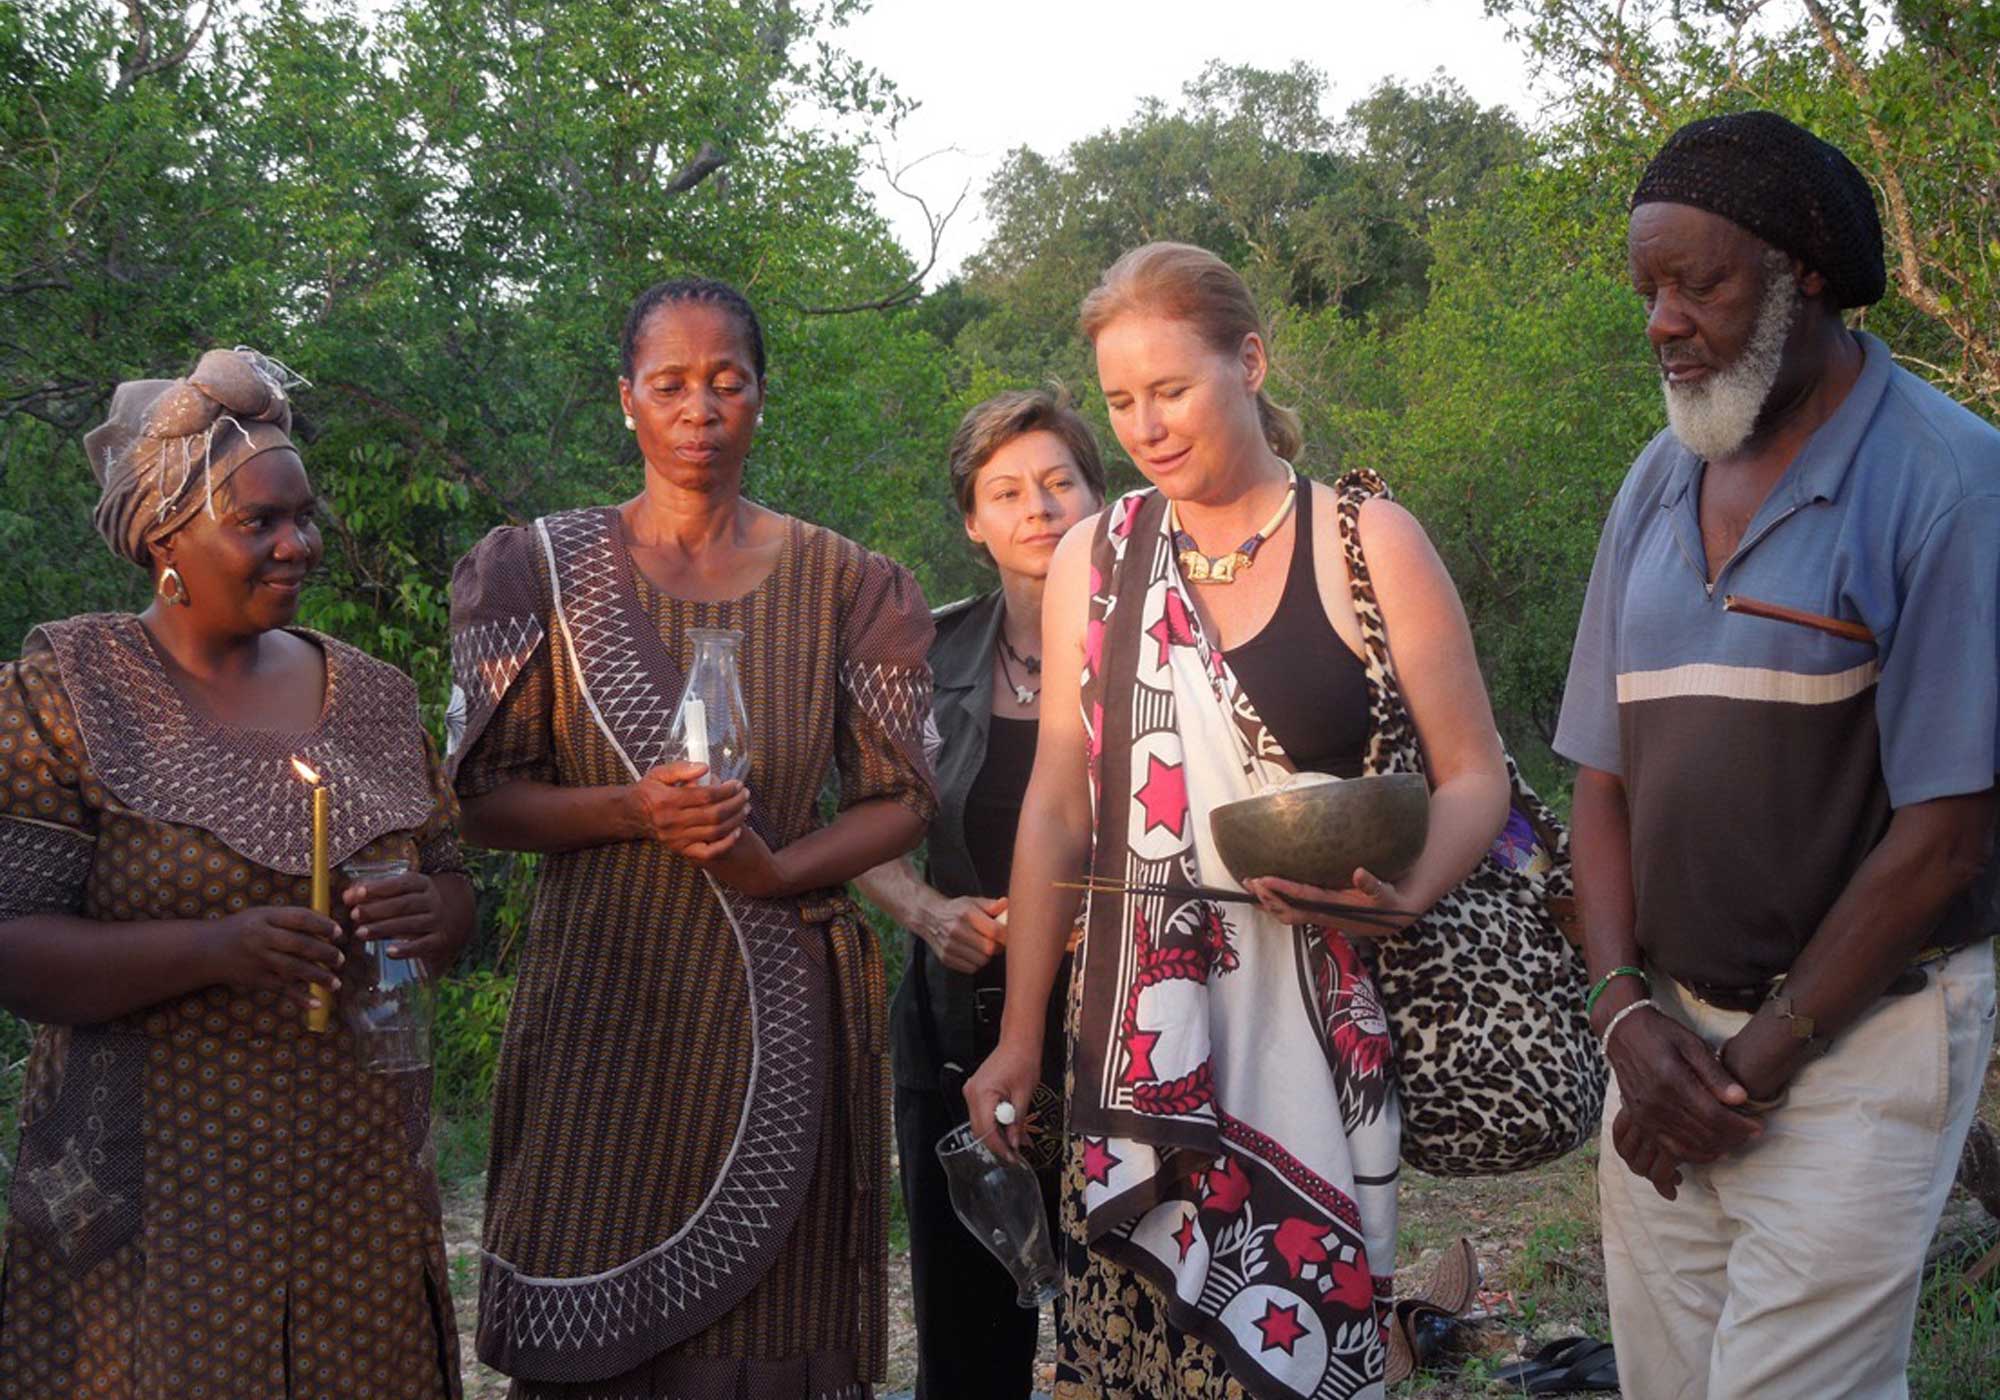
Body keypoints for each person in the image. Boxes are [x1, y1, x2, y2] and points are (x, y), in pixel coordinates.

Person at [964, 243, 1511, 1400]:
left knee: (1299, 1344)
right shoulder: (1095, 560)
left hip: (1315, 1017)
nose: (1144, 427)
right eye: (1119, 402)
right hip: (1134, 1029)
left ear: (1249, 361)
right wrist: (1019, 1033)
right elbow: (1058, 805)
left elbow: (1474, 776)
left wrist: (1406, 894)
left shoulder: (1367, 541)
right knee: (1137, 1341)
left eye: (1170, 389)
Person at [1556, 110, 2000, 1398]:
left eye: (1701, 282)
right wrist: (1623, 1013)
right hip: (1666, 1044)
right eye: (1647, 289)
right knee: (1667, 1382)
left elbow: (1946, 836)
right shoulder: (1655, 480)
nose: (1662, 321)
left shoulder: (1947, 483)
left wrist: (1748, 1067)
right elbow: (1600, 778)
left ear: (1806, 269)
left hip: (1861, 1040)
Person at [447, 277, 937, 1399]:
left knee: (763, 1337)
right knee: (595, 1289)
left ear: (762, 398)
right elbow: (481, 798)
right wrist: (631, 808)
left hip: (775, 1014)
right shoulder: (540, 567)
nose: (698, 408)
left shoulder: (847, 581)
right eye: (668, 383)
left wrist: (772, 865)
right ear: (626, 399)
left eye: (727, 381)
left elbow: (902, 797)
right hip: (604, 1000)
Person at [0, 348, 474, 1398]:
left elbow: (451, 892)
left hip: (354, 1182)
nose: (296, 543)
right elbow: (17, 950)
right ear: (164, 536)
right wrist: (216, 947)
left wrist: (427, 913)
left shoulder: (373, 694)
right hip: (157, 1195)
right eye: (256, 523)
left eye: (301, 516)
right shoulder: (68, 689)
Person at [855, 388, 1107, 1399]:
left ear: (1100, 495)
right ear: (971, 519)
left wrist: (1108, 914)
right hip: (954, 1027)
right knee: (964, 1339)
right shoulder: (927, 653)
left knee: (1117, 1321)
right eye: (1005, 490)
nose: (1036, 508)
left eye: (1058, 482)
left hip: (1122, 1025)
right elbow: (856, 823)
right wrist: (924, 910)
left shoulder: (1159, 641)